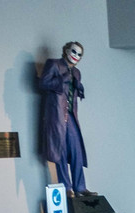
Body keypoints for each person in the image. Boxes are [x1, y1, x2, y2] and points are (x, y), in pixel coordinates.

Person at [39, 41, 91, 197]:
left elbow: (76, 93)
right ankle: (67, 187)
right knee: (60, 151)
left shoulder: (77, 72)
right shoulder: (54, 64)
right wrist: (62, 79)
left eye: (79, 54)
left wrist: (78, 85)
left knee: (76, 151)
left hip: (71, 114)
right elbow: (44, 82)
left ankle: (80, 187)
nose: (75, 56)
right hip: (56, 115)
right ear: (66, 50)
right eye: (73, 52)